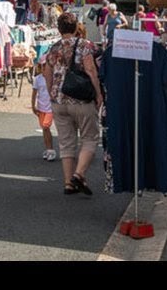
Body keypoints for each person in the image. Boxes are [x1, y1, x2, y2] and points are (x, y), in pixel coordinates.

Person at [42, 11, 102, 196]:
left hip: (59, 101)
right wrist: (99, 94)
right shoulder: (85, 46)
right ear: (76, 27)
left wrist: (52, 93)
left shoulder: (54, 48)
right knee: (90, 138)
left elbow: (47, 74)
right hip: (81, 98)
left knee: (66, 142)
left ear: (59, 29)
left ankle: (69, 183)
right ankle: (79, 173)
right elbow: (91, 70)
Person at [32, 69, 56, 161]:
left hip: (50, 107)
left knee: (46, 126)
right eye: (42, 65)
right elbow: (34, 93)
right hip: (41, 107)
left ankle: (51, 150)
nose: (43, 67)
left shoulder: (54, 77)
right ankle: (47, 149)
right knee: (44, 129)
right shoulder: (37, 79)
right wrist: (33, 105)